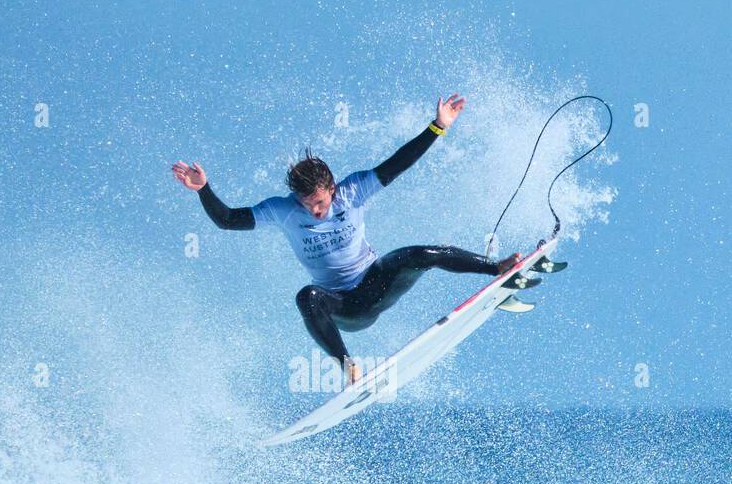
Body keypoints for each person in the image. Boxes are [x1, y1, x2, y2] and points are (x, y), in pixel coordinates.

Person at [171, 94, 529, 386]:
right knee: (306, 296)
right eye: (306, 204)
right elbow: (228, 220)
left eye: (320, 202)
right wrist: (204, 190)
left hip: (377, 282)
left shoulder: (353, 191)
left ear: (332, 188)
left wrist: (437, 126)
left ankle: (495, 268)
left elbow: (398, 163)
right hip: (344, 307)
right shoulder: (282, 211)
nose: (313, 210)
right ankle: (348, 368)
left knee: (420, 253)